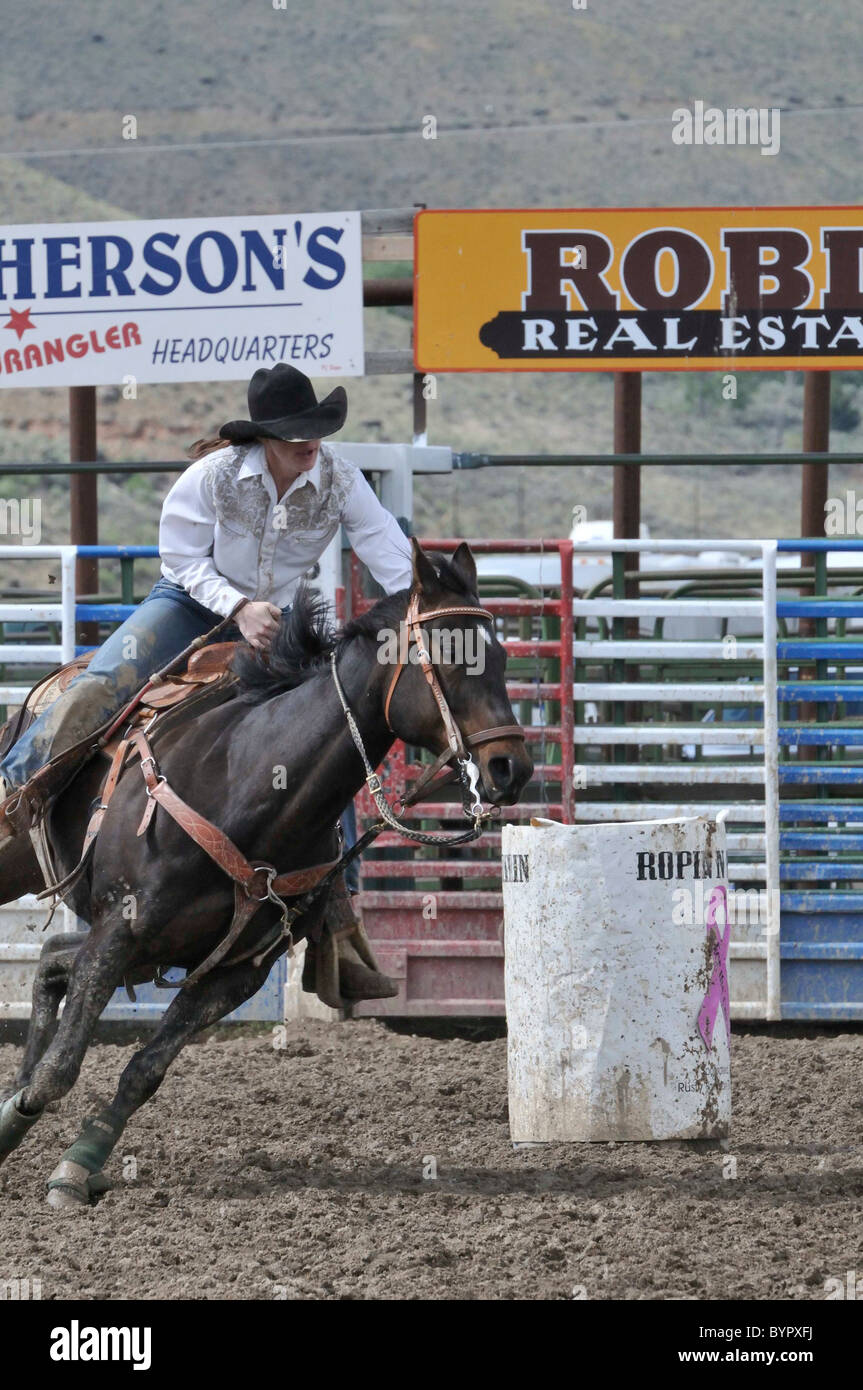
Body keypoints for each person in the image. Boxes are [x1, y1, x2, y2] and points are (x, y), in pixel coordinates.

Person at [0, 363, 414, 1003]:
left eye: (316, 431)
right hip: (194, 604)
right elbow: (182, 562)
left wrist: (425, 602)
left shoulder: (338, 480)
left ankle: (338, 929)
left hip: (275, 626)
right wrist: (238, 608)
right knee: (98, 686)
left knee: (332, 745)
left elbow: (389, 552)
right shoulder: (214, 478)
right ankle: (16, 789)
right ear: (266, 439)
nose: (311, 444)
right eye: (297, 433)